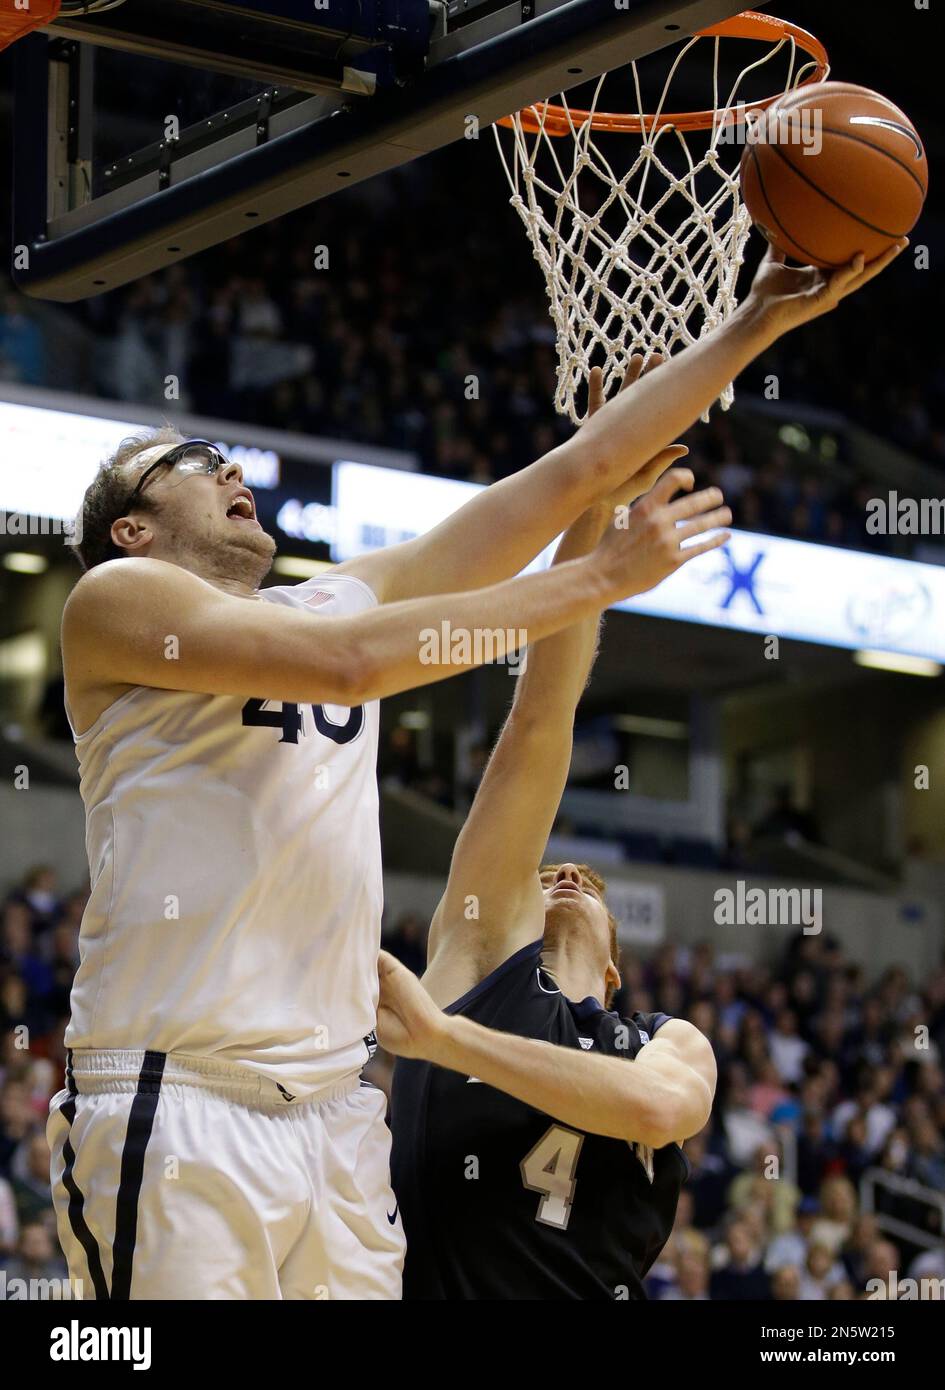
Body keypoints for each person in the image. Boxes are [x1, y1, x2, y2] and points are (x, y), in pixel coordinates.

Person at [50, 242, 902, 1301]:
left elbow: (573, 476)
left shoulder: (326, 597)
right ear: (132, 525)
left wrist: (758, 323)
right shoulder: (118, 601)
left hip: (334, 1113)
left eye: (229, 455)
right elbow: (356, 668)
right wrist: (596, 574)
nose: (231, 470)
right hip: (179, 1094)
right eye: (195, 460)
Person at [379, 359, 725, 1297]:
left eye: (592, 889)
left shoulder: (667, 1039)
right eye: (551, 875)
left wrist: (446, 1044)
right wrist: (594, 493)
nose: (565, 875)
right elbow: (541, 718)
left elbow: (655, 1108)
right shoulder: (479, 952)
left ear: (615, 965)